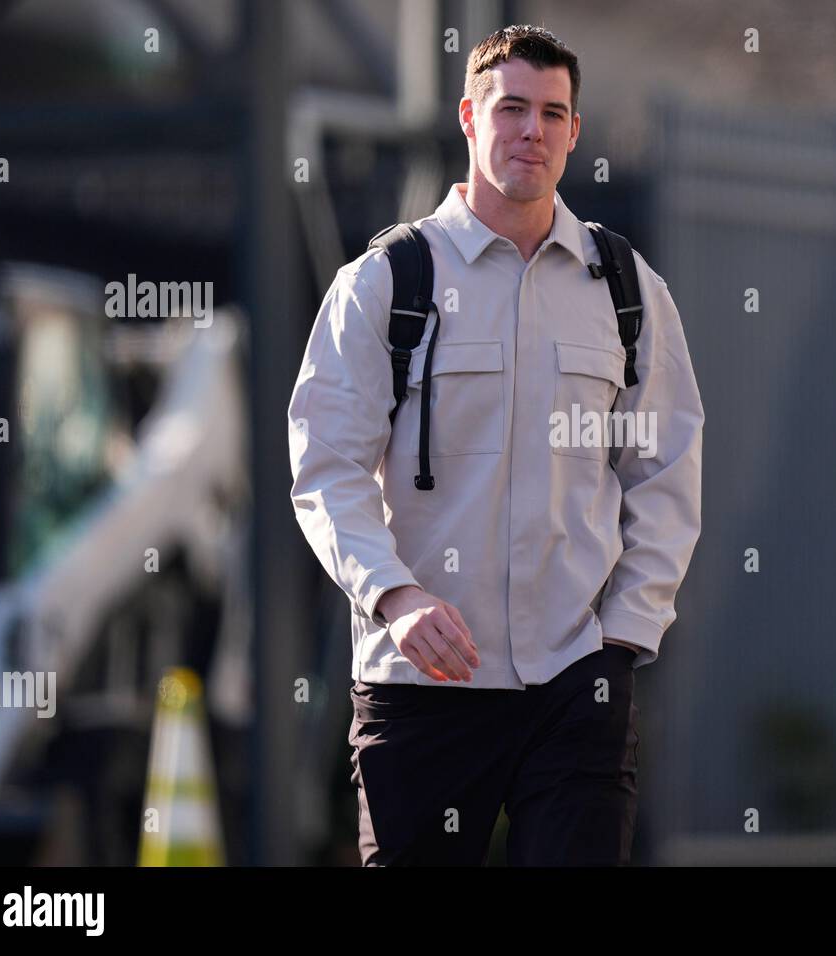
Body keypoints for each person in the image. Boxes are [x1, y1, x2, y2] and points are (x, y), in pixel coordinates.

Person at [287, 25, 704, 865]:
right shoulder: (384, 283)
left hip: (575, 681)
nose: (532, 131)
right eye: (511, 108)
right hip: (424, 684)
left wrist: (624, 636)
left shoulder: (627, 290)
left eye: (553, 113)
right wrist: (395, 598)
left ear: (574, 132)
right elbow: (326, 469)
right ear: (471, 120)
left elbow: (665, 467)